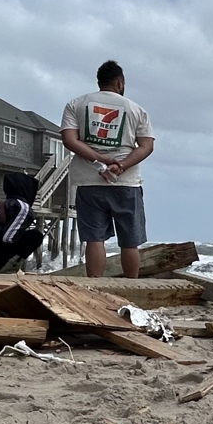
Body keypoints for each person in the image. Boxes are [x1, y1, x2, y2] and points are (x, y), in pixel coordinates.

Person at [61, 60, 155, 278]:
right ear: (120, 83)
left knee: (95, 238)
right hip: (126, 183)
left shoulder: (76, 104)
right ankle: (132, 286)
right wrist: (121, 165)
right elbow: (147, 145)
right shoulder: (136, 109)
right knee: (129, 241)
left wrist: (99, 158)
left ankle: (95, 287)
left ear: (99, 82)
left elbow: (69, 140)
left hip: (88, 180)